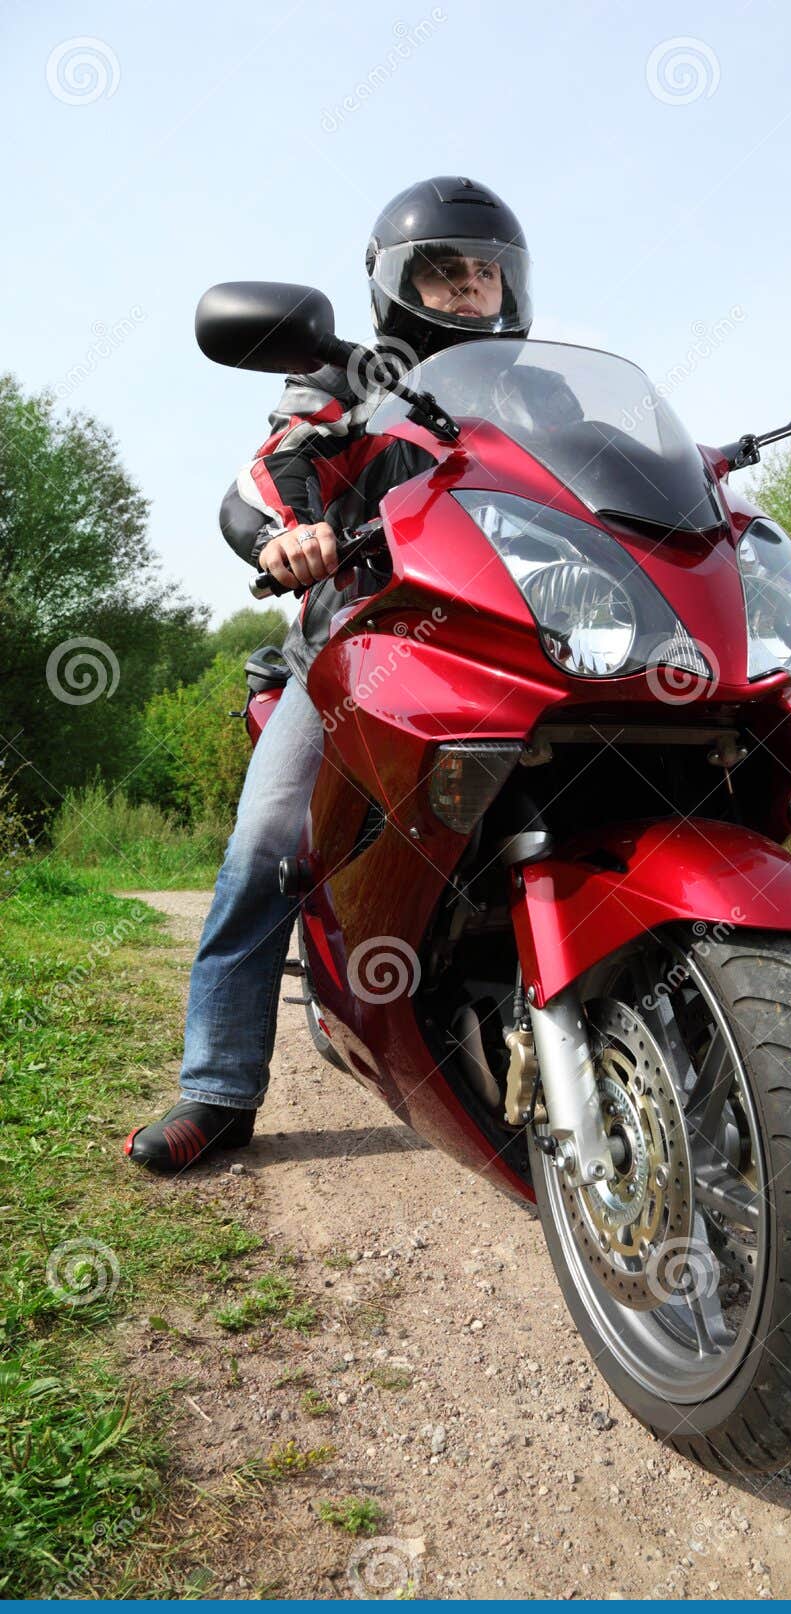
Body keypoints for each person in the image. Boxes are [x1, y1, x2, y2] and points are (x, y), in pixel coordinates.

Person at [124, 177, 532, 1174]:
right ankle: (217, 1087)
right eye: (445, 271)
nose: (470, 290)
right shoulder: (355, 377)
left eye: (486, 273)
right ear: (398, 284)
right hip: (367, 648)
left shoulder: (541, 395)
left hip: (526, 643)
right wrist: (284, 536)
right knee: (269, 841)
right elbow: (267, 474)